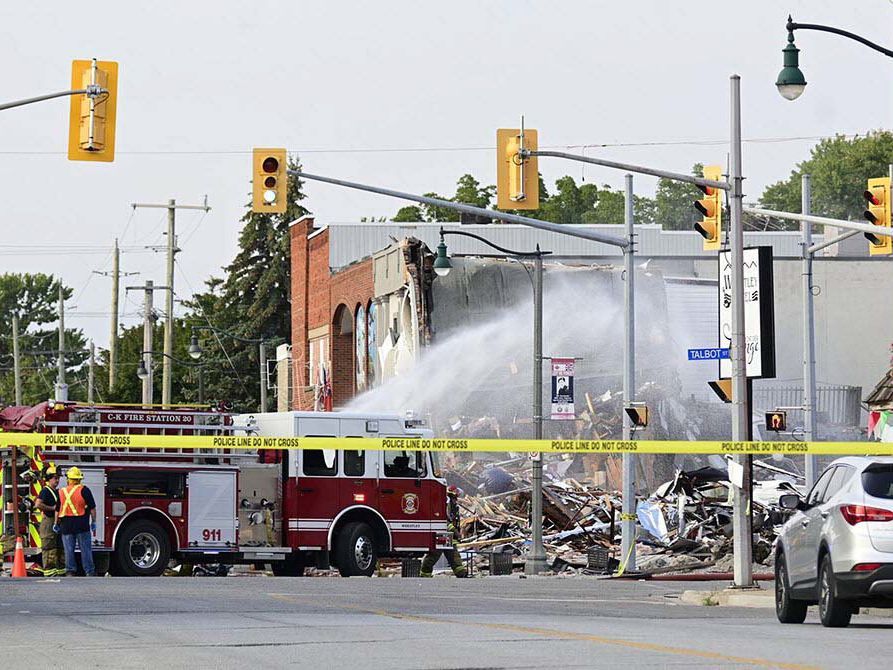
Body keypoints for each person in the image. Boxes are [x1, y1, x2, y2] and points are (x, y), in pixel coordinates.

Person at [420, 485, 468, 578]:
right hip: (442, 531)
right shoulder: (445, 503)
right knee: (435, 554)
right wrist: (454, 530)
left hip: (449, 534)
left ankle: (461, 573)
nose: (457, 499)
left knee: (453, 554)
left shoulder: (452, 504)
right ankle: (424, 574)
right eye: (456, 497)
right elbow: (443, 519)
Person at [57, 466, 96, 577]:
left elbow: (57, 510)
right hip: (82, 524)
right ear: (79, 479)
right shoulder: (84, 490)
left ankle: (70, 571)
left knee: (69, 550)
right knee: (85, 550)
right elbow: (92, 508)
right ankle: (89, 571)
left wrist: (56, 523)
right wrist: (93, 522)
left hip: (66, 525)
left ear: (68, 479)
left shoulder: (62, 491)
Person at [35, 466, 65, 576]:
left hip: (56, 521)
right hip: (48, 521)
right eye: (55, 478)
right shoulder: (45, 491)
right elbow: (38, 504)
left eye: (58, 478)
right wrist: (52, 508)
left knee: (59, 547)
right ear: (48, 479)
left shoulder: (56, 491)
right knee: (49, 548)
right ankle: (49, 571)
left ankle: (60, 571)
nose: (57, 480)